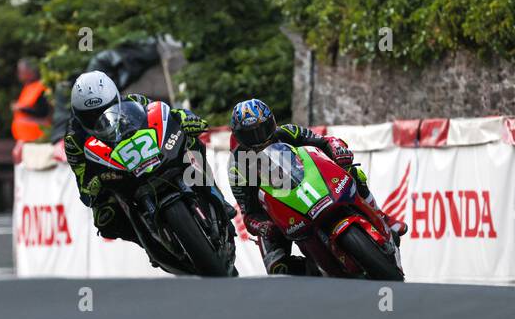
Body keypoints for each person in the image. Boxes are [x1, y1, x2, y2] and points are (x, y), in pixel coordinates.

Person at [228, 98, 407, 275]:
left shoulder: (288, 132)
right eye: (249, 134)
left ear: (271, 123)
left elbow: (326, 141)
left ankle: (383, 218)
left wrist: (338, 149)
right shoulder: (237, 166)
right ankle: (315, 273)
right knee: (276, 266)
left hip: (312, 185)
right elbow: (249, 213)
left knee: (352, 170)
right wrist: (263, 226)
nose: (258, 139)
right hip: (277, 214)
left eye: (261, 130)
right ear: (238, 136)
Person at [64, 70, 220, 248]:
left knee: (190, 140)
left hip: (155, 154)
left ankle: (213, 193)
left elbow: (165, 115)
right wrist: (92, 187)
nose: (98, 119)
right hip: (116, 174)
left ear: (116, 99)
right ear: (77, 114)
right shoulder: (73, 139)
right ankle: (150, 244)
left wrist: (185, 117)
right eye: (90, 116)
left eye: (105, 110)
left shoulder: (134, 101)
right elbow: (82, 181)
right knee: (105, 219)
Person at [10, 59, 52, 143]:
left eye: (21, 71)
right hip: (25, 137)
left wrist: (20, 109)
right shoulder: (28, 87)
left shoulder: (41, 88)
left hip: (36, 137)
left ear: (30, 71)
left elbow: (43, 112)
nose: (19, 74)